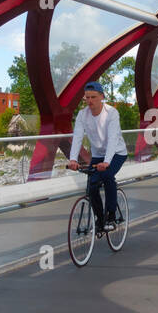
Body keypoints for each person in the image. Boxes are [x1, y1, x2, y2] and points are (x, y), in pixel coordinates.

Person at [67, 81, 128, 234]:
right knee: (92, 186)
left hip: (116, 153)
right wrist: (73, 159)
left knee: (107, 176)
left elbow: (113, 138)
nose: (90, 101)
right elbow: (78, 137)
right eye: (87, 97)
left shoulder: (111, 113)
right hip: (98, 154)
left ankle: (111, 217)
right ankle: (100, 220)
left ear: (102, 96)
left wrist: (107, 162)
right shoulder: (83, 115)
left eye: (93, 97)